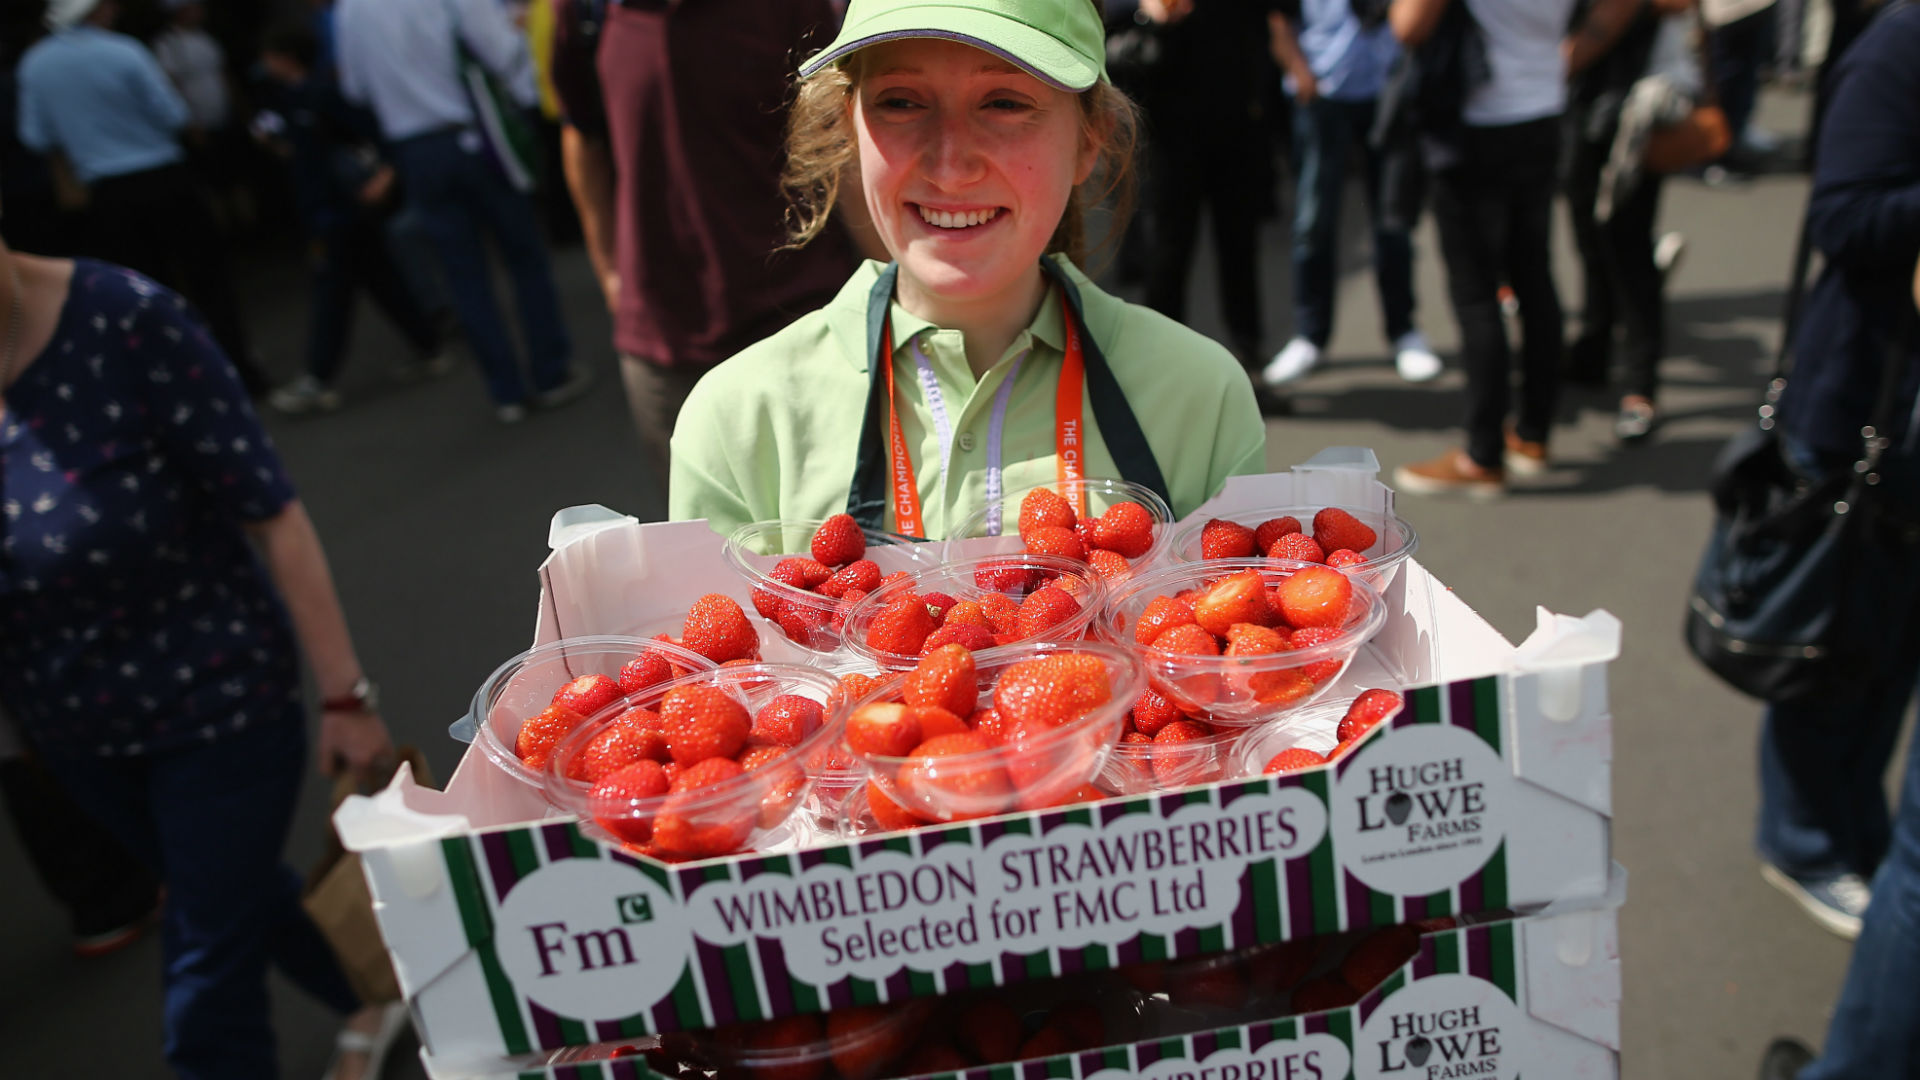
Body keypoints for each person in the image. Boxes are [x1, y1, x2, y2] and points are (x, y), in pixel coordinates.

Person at [0, 246, 407, 1074]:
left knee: (205, 988)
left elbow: (273, 512)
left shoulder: (125, 319)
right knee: (229, 893)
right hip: (74, 734)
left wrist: (344, 696)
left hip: (216, 703)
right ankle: (382, 991)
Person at [668, 0, 1268, 538]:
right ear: (849, 126)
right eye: (901, 102)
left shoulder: (1201, 399)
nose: (950, 168)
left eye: (1005, 103)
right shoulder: (740, 421)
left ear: (1090, 139)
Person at [1755, 11, 1920, 1076]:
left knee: (1887, 653)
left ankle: (1851, 829)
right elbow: (1845, 214)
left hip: (1900, 432)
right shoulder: (1903, 43)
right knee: (1829, 643)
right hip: (1860, 406)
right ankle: (1805, 837)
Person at [549, 0, 870, 515]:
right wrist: (610, 272)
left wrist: (889, 283)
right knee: (702, 540)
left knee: (836, 537)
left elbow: (840, 135)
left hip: (802, 314)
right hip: (663, 344)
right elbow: (581, 134)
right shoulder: (587, 11)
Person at [1387, 0, 1623, 496]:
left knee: (1477, 295)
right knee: (1533, 277)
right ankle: (1532, 435)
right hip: (1541, 109)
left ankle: (1482, 455)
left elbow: (1408, 25)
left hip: (1479, 122)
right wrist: (1560, 61)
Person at [334, 0, 588, 424]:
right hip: (477, 138)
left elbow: (355, 89)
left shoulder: (351, 11)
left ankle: (505, 391)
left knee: (463, 275)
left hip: (415, 151)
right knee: (524, 257)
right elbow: (503, 53)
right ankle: (550, 374)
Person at [15, 0, 265, 395]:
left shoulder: (35, 65)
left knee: (141, 294)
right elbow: (172, 114)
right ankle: (237, 372)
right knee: (207, 280)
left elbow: (36, 136)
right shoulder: (124, 50)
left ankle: (176, 384)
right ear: (96, 11)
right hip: (163, 177)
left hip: (106, 193)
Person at [254, 21, 452, 414]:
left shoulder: (322, 95)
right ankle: (428, 344)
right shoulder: (288, 100)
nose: (265, 65)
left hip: (340, 212)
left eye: (270, 57)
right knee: (382, 280)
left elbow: (374, 131)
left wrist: (385, 175)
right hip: (330, 211)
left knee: (332, 292)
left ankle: (317, 376)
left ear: (288, 58)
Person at [1264, 0, 1443, 387]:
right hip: (1322, 92)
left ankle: (1403, 331)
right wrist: (1298, 71)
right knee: (1313, 222)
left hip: (1387, 88)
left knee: (1393, 220)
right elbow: (1278, 16)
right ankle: (1310, 336)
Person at [1127, 0, 1285, 394]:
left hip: (1237, 128)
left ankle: (1248, 360)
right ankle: (1158, 366)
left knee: (1239, 248)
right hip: (1170, 136)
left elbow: (1264, 31)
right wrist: (1152, 16)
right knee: (1169, 251)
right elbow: (1122, 39)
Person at [1564, 0, 1702, 443]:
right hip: (1583, 108)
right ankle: (1593, 351)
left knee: (1628, 248)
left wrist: (1534, 73)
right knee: (1590, 239)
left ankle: (1641, 389)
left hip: (1632, 117)